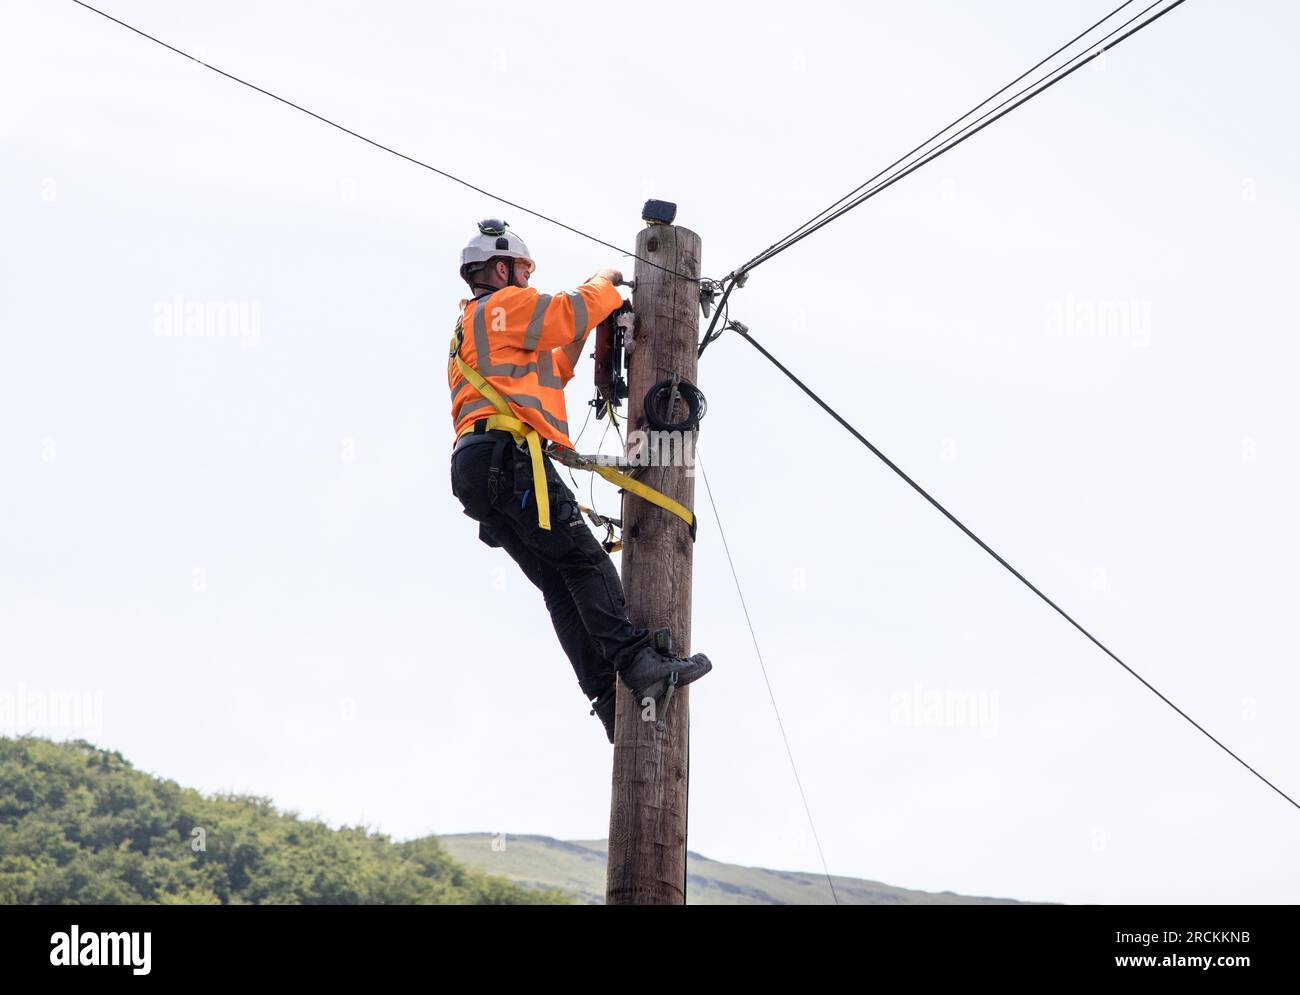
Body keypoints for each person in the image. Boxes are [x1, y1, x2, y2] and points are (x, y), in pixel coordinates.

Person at [447, 220, 711, 743]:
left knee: (560, 584)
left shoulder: (481, 328)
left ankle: (607, 694)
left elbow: (553, 365)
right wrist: (605, 282)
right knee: (582, 562)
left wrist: (601, 321)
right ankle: (637, 662)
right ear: (501, 269)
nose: (526, 280)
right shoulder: (500, 307)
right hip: (510, 459)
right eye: (522, 271)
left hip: (482, 466)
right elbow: (564, 314)